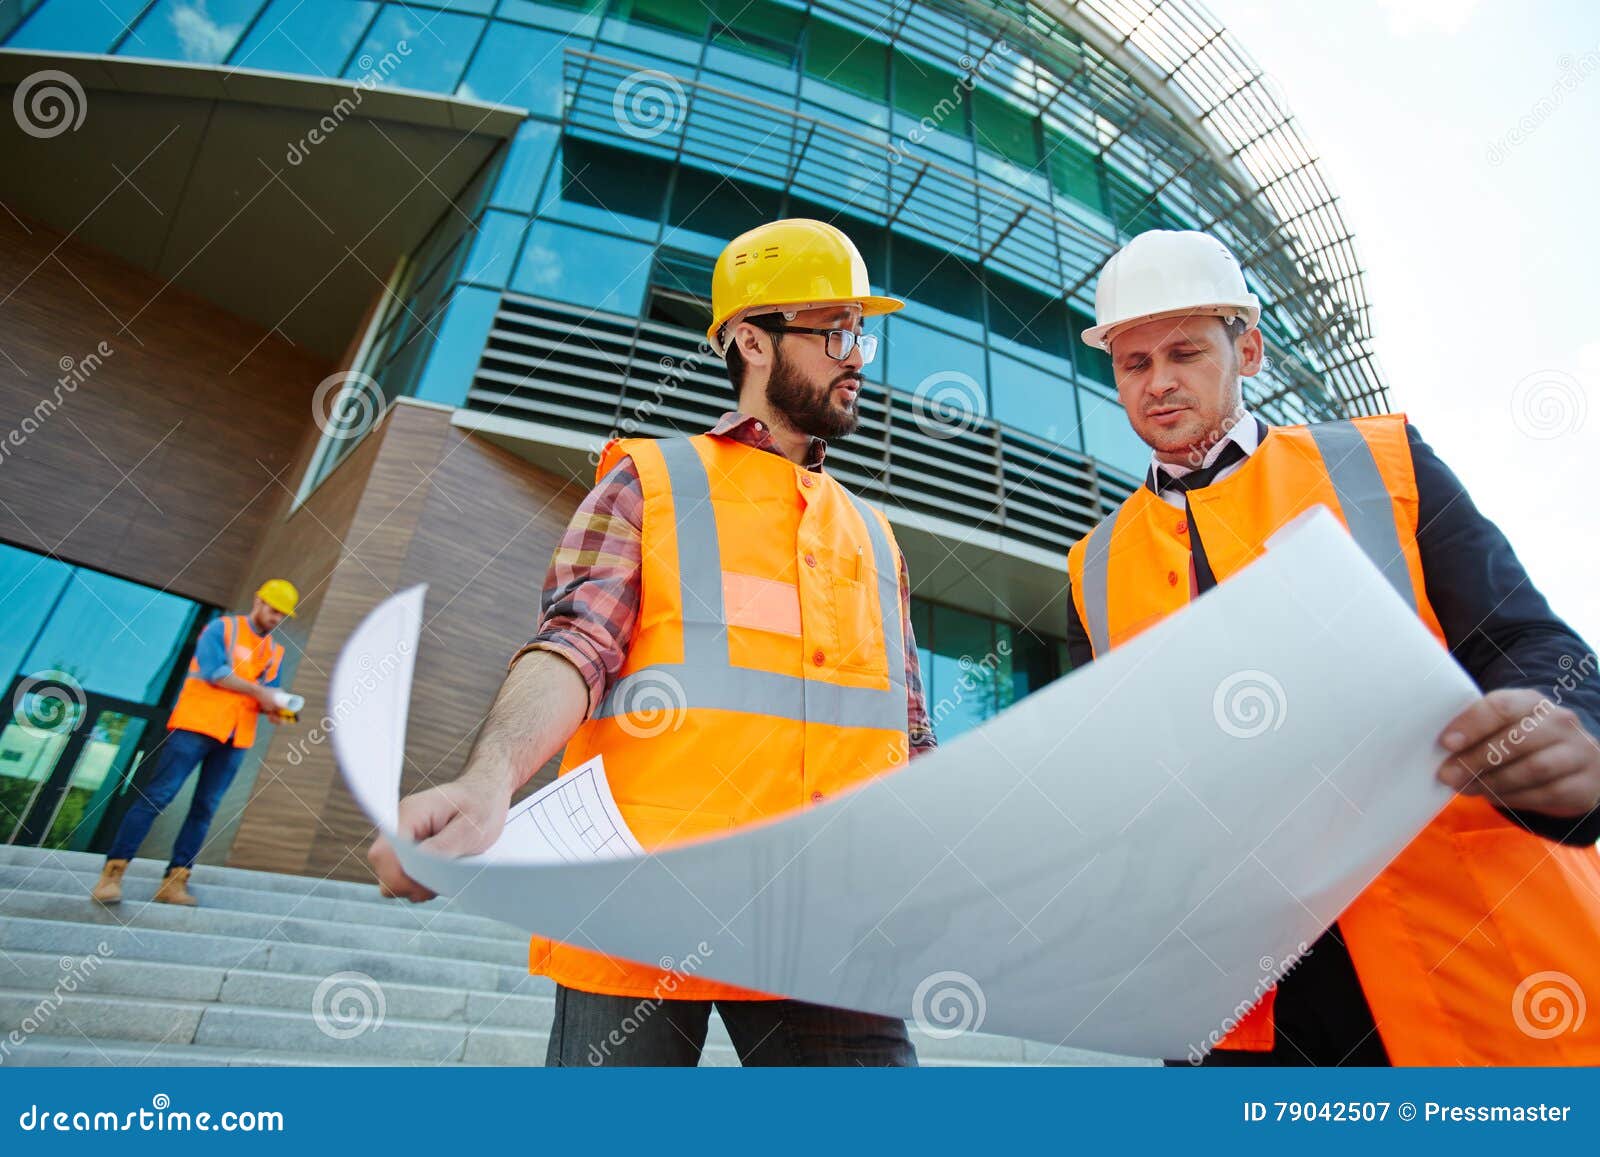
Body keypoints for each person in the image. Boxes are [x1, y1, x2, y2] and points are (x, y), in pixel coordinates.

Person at [369, 218, 936, 1066]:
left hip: (830, 917)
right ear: (752, 340)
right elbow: (573, 647)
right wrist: (489, 782)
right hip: (641, 905)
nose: (856, 357)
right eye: (834, 331)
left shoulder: (875, 537)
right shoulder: (653, 482)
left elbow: (910, 735)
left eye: (862, 334)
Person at [1064, 229, 1600, 1065]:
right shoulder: (1092, 567)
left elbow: (1524, 638)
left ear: (1247, 350)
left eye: (1185, 352)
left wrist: (1560, 727)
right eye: (1135, 363)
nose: (1159, 381)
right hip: (1239, 1009)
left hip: (1456, 947)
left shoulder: (1381, 465)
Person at [90, 579, 300, 906]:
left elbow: (268, 693)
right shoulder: (222, 629)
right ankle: (112, 875)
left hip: (236, 737)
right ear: (258, 601)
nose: (276, 619)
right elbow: (216, 672)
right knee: (157, 797)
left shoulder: (275, 651)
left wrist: (274, 709)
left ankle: (175, 881)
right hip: (196, 726)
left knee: (205, 809)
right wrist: (261, 692)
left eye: (282, 616)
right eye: (273, 611)